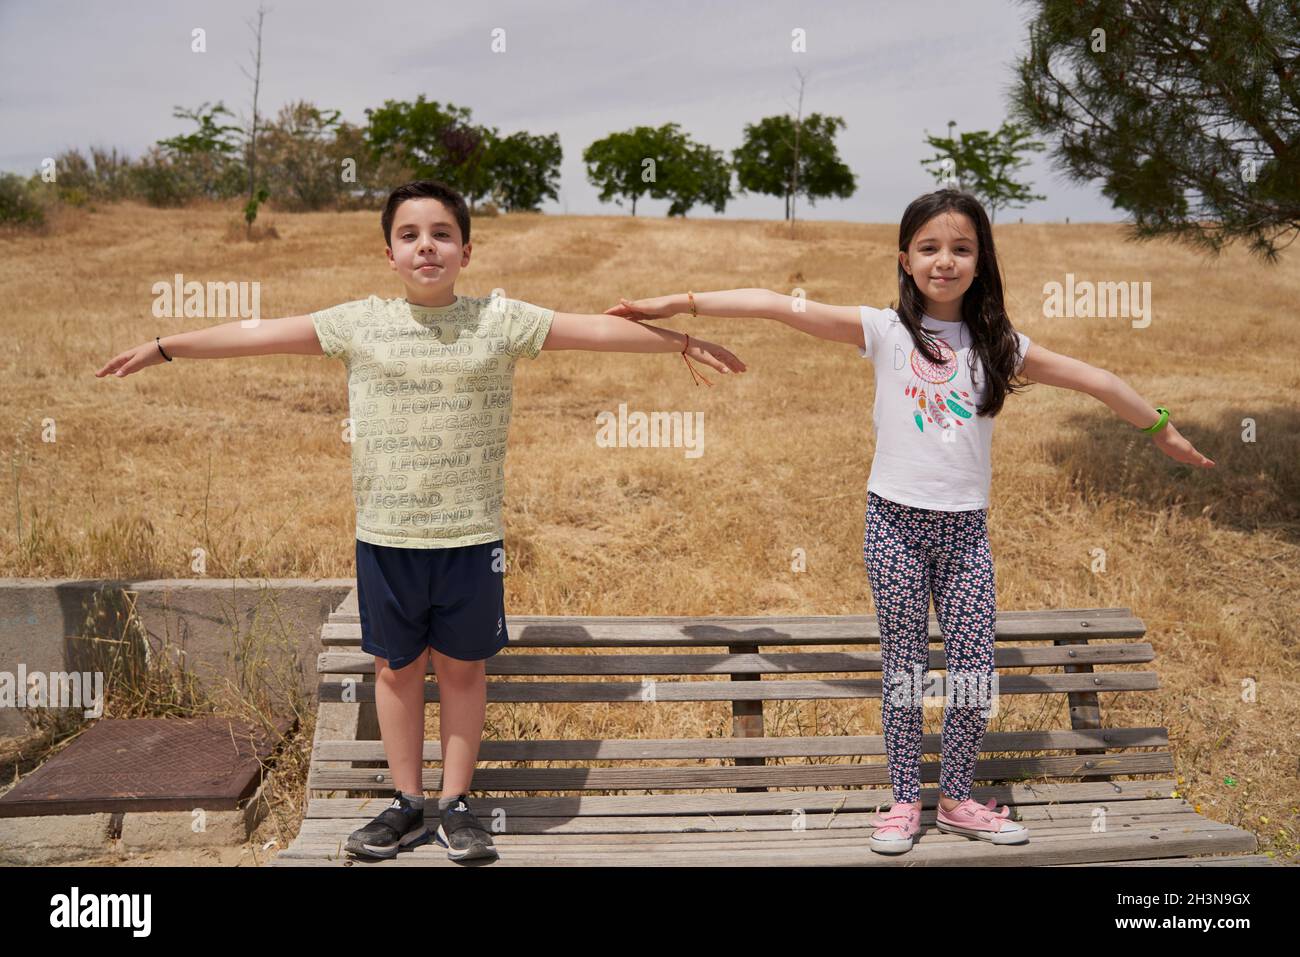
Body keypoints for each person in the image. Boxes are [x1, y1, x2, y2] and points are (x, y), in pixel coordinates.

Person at [95, 179, 746, 864]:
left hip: (471, 541)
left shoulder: (500, 320)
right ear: (389, 253)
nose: (426, 246)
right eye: (410, 235)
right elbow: (259, 334)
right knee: (396, 670)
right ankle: (406, 802)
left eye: (441, 233)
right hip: (386, 539)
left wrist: (678, 341)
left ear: (466, 250)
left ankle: (457, 804)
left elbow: (592, 329)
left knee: (463, 672)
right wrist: (169, 346)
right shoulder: (359, 323)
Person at [606, 187, 1214, 856]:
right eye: (929, 248)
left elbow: (1094, 378)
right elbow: (776, 305)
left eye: (960, 248)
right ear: (905, 258)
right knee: (904, 666)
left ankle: (955, 799)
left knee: (975, 668)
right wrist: (680, 303)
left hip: (964, 535)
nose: (944, 260)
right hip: (892, 525)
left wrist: (1160, 427)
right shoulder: (883, 330)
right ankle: (902, 801)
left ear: (981, 261)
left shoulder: (1001, 345)